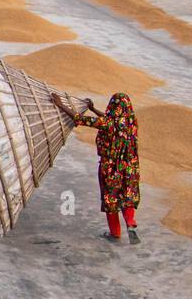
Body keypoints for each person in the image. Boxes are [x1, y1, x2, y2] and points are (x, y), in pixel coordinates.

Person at [56, 92, 141, 244]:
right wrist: (93, 109)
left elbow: (79, 119)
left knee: (111, 199)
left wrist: (60, 105)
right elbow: (112, 121)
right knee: (127, 196)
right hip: (130, 168)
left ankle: (115, 233)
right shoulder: (132, 123)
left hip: (110, 168)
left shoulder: (107, 123)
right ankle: (130, 222)